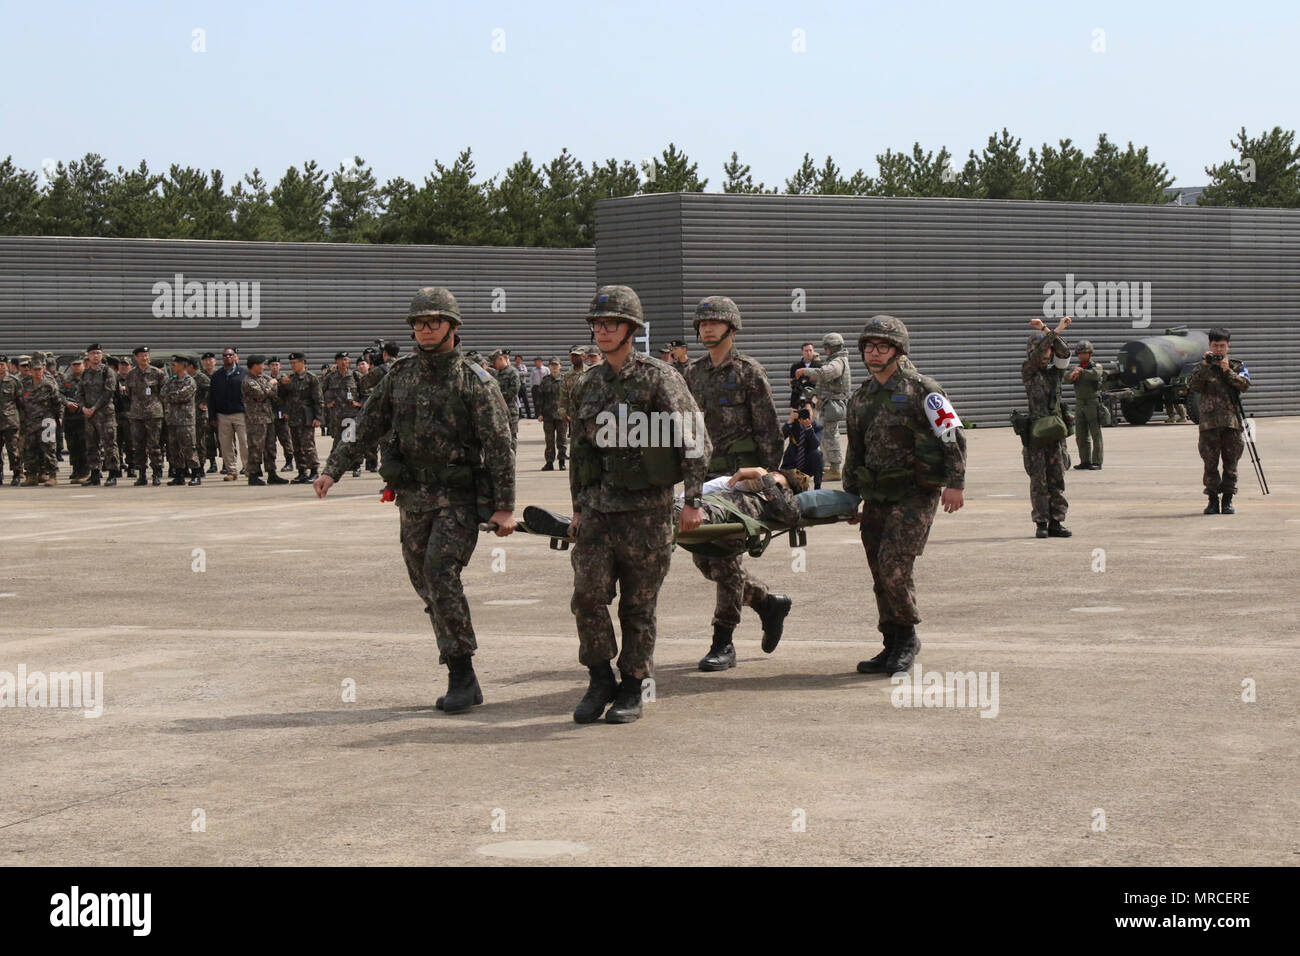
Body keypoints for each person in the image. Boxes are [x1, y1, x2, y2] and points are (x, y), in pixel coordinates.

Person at [315, 287, 515, 715]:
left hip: (458, 497)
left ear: (453, 327)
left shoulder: (474, 380)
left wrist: (505, 506)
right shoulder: (400, 375)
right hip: (413, 496)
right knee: (424, 582)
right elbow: (365, 424)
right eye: (419, 323)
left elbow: (500, 444)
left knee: (440, 572)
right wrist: (333, 467)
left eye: (434, 322)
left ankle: (461, 673)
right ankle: (462, 670)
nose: (425, 329)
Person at [567, 285, 710, 725]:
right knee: (587, 597)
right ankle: (598, 678)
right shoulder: (587, 382)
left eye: (611, 323)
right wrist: (576, 507)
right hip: (596, 510)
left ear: (631, 328)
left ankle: (632, 684)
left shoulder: (660, 378)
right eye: (598, 323)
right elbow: (581, 450)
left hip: (647, 512)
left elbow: (696, 443)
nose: (602, 330)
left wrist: (693, 501)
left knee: (638, 603)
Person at [844, 316, 966, 674]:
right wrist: (850, 497)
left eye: (883, 347)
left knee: (894, 566)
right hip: (877, 495)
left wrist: (956, 483)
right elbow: (855, 452)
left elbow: (952, 436)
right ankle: (890, 642)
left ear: (898, 351)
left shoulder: (924, 389)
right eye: (869, 346)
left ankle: (908, 637)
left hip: (916, 493)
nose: (874, 353)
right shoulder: (861, 396)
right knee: (878, 572)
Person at [684, 295, 790, 671]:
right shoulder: (692, 374)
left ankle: (723, 642)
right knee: (704, 558)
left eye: (714, 322)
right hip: (704, 480)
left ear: (731, 327)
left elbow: (770, 433)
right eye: (702, 323)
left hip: (741, 482)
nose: (706, 328)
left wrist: (764, 479)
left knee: (726, 558)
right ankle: (766, 602)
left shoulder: (749, 372)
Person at [1189, 327, 1251, 515]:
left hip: (1232, 424)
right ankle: (1213, 500)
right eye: (1215, 346)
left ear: (1228, 347)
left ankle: (1228, 500)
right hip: (1209, 424)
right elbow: (1193, 386)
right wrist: (1205, 367)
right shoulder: (1202, 367)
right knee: (1210, 464)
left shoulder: (1237, 366)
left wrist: (1228, 372)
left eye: (1222, 346)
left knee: (1231, 463)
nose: (1218, 350)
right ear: (1209, 346)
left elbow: (1245, 385)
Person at [1023, 317, 1073, 537]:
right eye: (1043, 351)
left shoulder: (1056, 373)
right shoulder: (1029, 371)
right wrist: (1052, 330)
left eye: (1048, 352)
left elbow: (1065, 353)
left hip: (1055, 432)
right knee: (1039, 480)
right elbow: (1035, 357)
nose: (1047, 355)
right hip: (1036, 433)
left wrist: (1051, 333)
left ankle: (1056, 521)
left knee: (1057, 477)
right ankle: (1041, 523)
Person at [794, 332, 852, 481]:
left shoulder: (838, 362)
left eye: (826, 347)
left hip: (833, 404)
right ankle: (829, 465)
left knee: (829, 436)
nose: (824, 350)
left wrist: (805, 371)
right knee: (827, 434)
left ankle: (835, 468)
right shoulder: (836, 360)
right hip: (828, 403)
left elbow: (826, 373)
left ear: (831, 348)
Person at [278, 352, 323, 484]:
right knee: (296, 446)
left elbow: (318, 399)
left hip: (306, 416)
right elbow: (282, 397)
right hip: (293, 416)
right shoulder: (289, 378)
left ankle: (314, 471)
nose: (292, 366)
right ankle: (302, 472)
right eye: (291, 363)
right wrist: (282, 384)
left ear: (303, 363)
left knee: (308, 445)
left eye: (295, 363)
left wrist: (318, 417)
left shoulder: (311, 378)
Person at [18, 352, 63, 486]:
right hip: (30, 421)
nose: (37, 372)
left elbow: (58, 402)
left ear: (43, 369)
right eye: (34, 370)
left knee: (48, 448)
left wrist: (59, 417)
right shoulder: (24, 384)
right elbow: (20, 402)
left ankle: (52, 475)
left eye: (39, 369)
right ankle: (31, 475)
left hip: (46, 420)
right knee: (30, 448)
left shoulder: (49, 384)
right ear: (30, 370)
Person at [124, 346, 167, 486]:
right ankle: (141, 474)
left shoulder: (157, 373)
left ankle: (156, 473)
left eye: (147, 355)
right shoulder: (131, 374)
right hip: (136, 415)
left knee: (154, 445)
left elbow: (164, 392)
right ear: (135, 357)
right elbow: (129, 394)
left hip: (154, 414)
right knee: (138, 446)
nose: (145, 358)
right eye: (142, 355)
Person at [241, 355, 285, 486]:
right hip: (255, 420)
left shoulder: (264, 378)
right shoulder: (248, 381)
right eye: (261, 364)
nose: (264, 367)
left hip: (269, 418)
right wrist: (270, 384)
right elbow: (260, 394)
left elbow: (274, 394)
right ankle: (253, 475)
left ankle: (272, 473)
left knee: (270, 447)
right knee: (256, 448)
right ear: (254, 366)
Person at [161, 354, 201, 486]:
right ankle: (179, 475)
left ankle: (195, 473)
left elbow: (182, 395)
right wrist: (173, 396)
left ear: (183, 366)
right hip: (172, 420)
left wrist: (171, 396)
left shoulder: (189, 381)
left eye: (175, 364)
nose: (173, 367)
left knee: (189, 448)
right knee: (174, 449)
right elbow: (163, 393)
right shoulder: (171, 381)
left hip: (186, 421)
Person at [209, 347, 248, 481]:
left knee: (245, 443)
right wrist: (212, 416)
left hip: (240, 413)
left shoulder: (243, 373)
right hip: (223, 415)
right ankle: (231, 470)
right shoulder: (217, 375)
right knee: (226, 445)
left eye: (230, 355)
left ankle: (248, 469)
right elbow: (211, 397)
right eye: (225, 355)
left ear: (235, 357)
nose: (227, 357)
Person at [1069, 339, 1104, 470]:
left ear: (1090, 354)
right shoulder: (1076, 368)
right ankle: (1085, 460)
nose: (1082, 355)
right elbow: (1067, 378)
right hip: (1080, 403)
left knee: (1095, 434)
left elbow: (1095, 375)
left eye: (1085, 353)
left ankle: (1097, 461)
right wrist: (1073, 374)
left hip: (1092, 403)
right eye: (1080, 353)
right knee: (1081, 434)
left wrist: (1081, 372)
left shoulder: (1096, 366)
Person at [781, 398, 824, 488]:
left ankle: (817, 486)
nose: (805, 414)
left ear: (813, 411)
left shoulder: (817, 427)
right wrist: (789, 421)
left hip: (808, 462)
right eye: (802, 411)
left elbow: (815, 445)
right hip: (792, 460)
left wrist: (808, 427)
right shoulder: (792, 425)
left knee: (817, 454)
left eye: (808, 411)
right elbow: (779, 439)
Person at [60, 357, 89, 483]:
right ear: (71, 367)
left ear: (83, 365)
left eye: (79, 364)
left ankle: (85, 471)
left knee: (84, 446)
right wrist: (66, 403)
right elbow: (59, 394)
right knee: (73, 446)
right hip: (70, 418)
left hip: (84, 418)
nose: (77, 367)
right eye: (74, 365)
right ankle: (76, 470)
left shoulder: (88, 379)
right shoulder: (66, 380)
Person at [535, 358, 567, 470]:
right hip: (548, 415)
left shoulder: (565, 380)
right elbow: (540, 398)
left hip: (561, 415)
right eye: (552, 365)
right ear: (549, 367)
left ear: (560, 366)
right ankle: (549, 462)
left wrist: (570, 413)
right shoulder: (545, 381)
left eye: (556, 365)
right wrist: (539, 413)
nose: (554, 367)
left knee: (562, 439)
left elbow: (570, 398)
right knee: (549, 440)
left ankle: (562, 461)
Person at [490, 349, 521, 450]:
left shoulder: (513, 372)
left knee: (512, 437)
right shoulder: (496, 373)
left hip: (510, 411)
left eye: (494, 362)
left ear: (500, 359)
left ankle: (511, 461)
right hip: (498, 411)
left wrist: (497, 395)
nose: (494, 365)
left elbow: (513, 391)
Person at [0, 354, 21, 485]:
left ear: (6, 365)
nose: (0, 367)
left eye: (2, 365)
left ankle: (17, 474)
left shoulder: (13, 381)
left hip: (10, 422)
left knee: (13, 450)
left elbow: (20, 402)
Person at [114, 357, 134, 477]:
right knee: (116, 443)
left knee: (130, 443)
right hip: (116, 415)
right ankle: (118, 465)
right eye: (121, 365)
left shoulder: (133, 379)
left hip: (130, 415)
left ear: (130, 366)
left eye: (126, 365)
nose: (123, 367)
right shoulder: (114, 379)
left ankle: (131, 466)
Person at [557, 346, 586, 426]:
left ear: (583, 357)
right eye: (572, 356)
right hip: (574, 415)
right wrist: (563, 412)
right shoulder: (567, 376)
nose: (574, 358)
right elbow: (563, 395)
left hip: (589, 414)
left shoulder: (590, 372)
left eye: (576, 356)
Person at [788, 342, 821, 408]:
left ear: (813, 351)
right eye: (806, 351)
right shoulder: (795, 367)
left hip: (814, 399)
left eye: (810, 350)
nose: (808, 353)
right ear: (802, 352)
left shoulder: (819, 366)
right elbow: (792, 383)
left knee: (814, 417)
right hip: (797, 399)